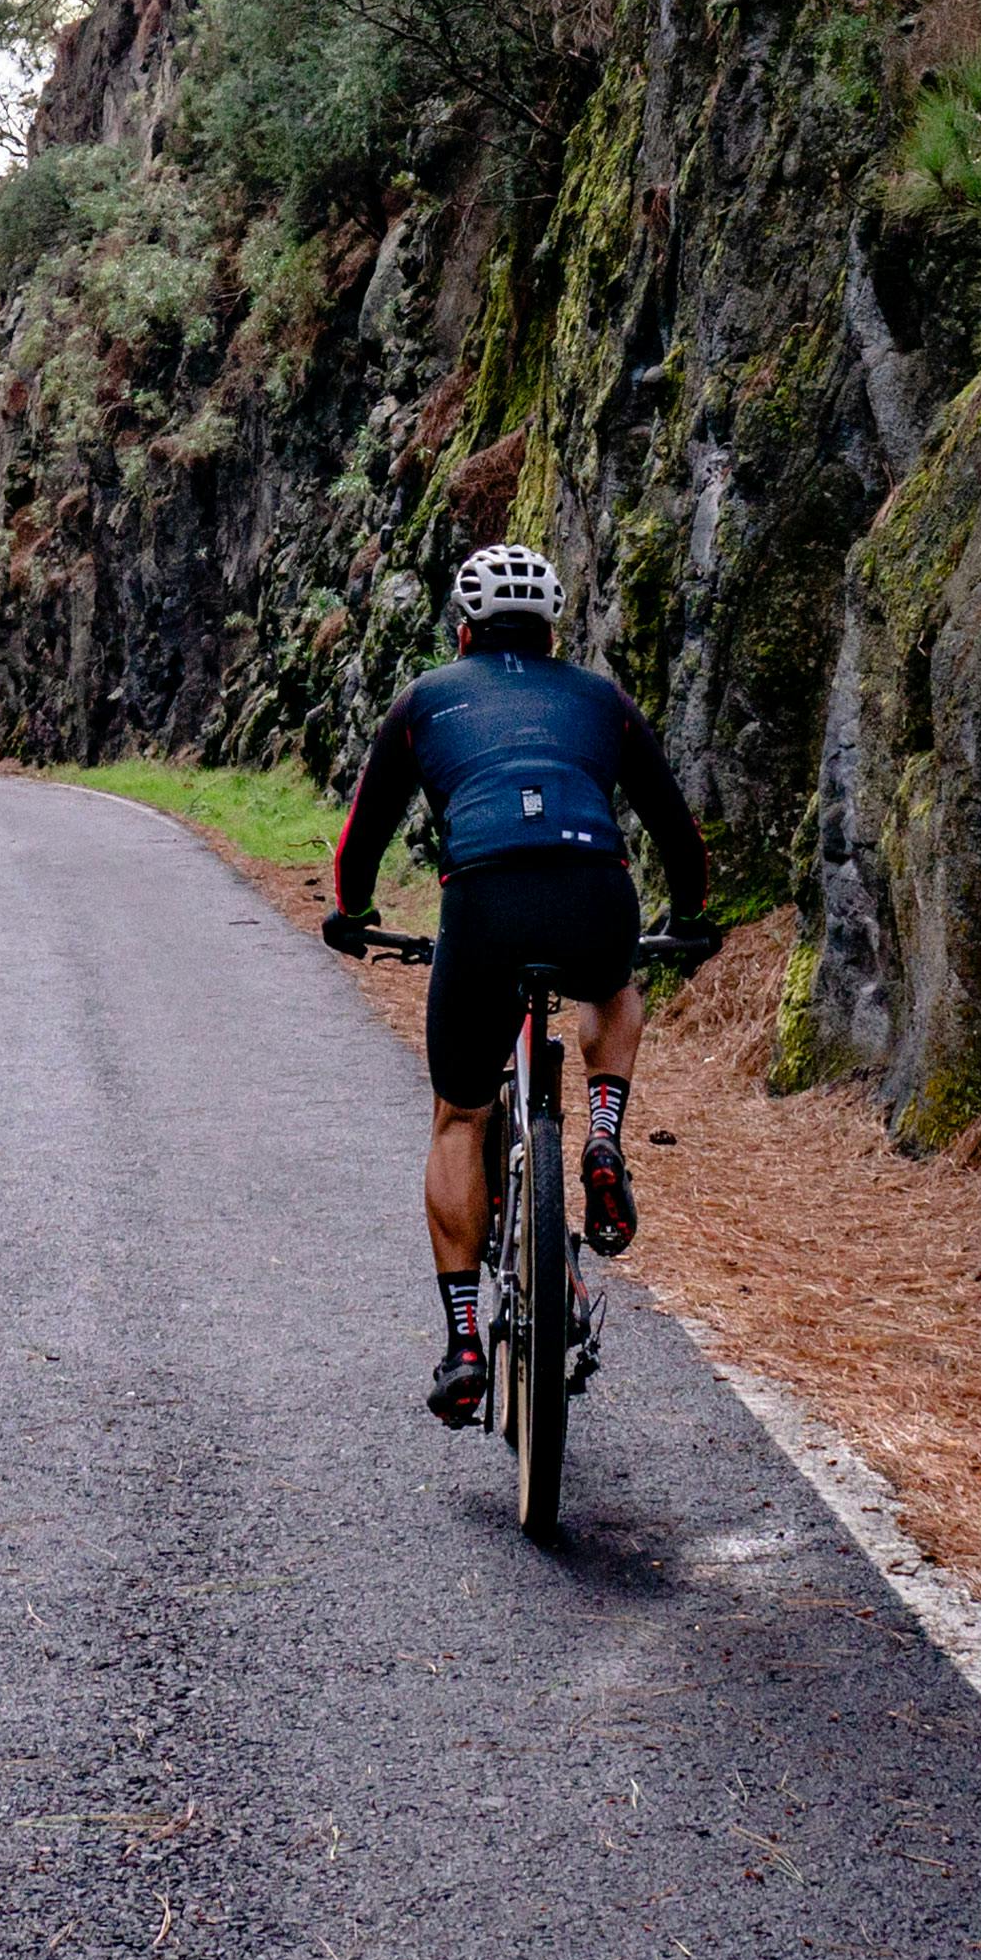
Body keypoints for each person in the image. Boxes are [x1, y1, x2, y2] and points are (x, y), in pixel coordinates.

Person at [320, 541, 713, 1424]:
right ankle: (603, 1136)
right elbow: (676, 830)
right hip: (594, 893)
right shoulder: (601, 699)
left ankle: (464, 1342)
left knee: (461, 1114)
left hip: (485, 903)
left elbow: (363, 833)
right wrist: (688, 914)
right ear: (551, 630)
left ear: (462, 629)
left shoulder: (424, 700)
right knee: (613, 987)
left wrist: (351, 913)